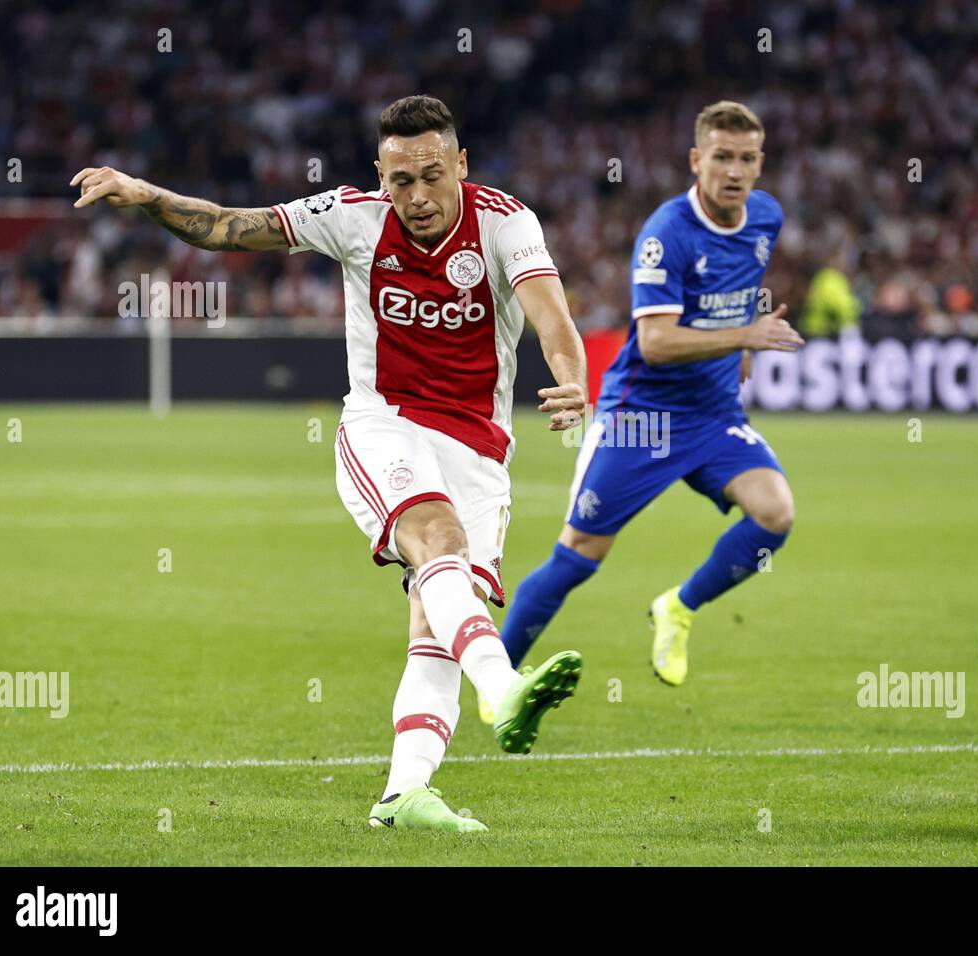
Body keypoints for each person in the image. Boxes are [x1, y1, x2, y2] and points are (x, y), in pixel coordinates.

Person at [71, 94, 589, 831]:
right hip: (386, 426)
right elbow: (229, 229)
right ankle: (502, 687)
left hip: (478, 448)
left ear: (461, 166)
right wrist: (146, 194)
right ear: (379, 173)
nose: (415, 197)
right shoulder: (352, 217)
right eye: (399, 180)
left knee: (436, 618)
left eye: (431, 176)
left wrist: (572, 378)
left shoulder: (507, 221)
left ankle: (403, 794)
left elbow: (552, 314)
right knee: (438, 540)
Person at [496, 101, 803, 698]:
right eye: (721, 158)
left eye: (746, 159)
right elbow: (657, 342)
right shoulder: (666, 234)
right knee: (578, 556)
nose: (734, 172)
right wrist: (744, 335)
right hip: (642, 420)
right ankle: (495, 680)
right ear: (697, 160)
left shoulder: (766, 217)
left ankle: (678, 608)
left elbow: (736, 288)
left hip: (713, 416)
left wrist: (734, 344)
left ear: (760, 164)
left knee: (775, 513)